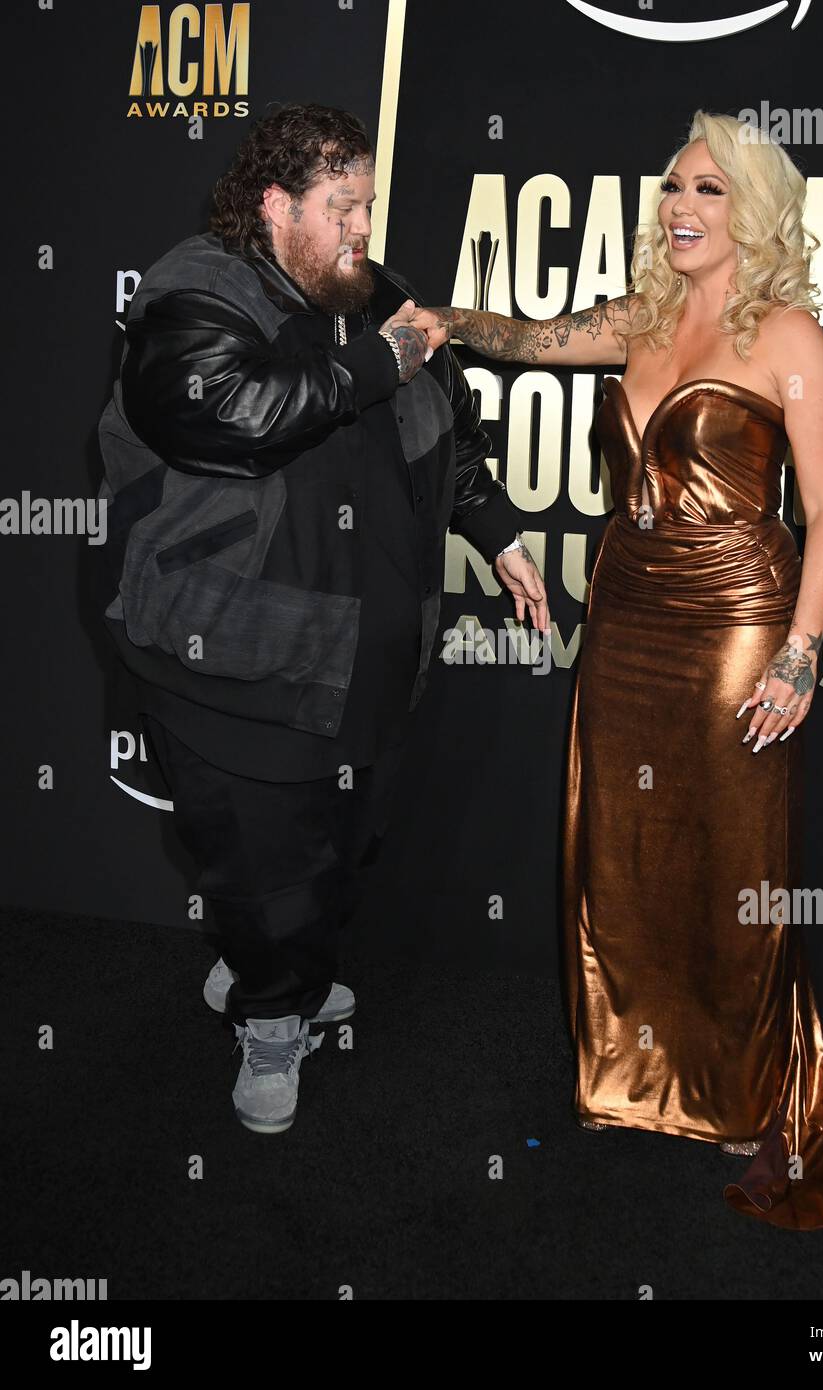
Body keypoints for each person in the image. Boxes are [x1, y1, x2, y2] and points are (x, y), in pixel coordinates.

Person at [414, 110, 823, 1234]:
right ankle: (636, 1078)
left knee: (733, 862)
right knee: (622, 849)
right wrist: (442, 317)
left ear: (756, 213)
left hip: (738, 617)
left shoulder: (789, 338)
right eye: (674, 189)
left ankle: (741, 1093)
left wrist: (797, 653)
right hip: (629, 614)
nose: (682, 208)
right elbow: (530, 340)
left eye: (709, 191)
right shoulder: (642, 316)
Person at [96, 103, 548, 1135]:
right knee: (263, 862)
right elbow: (229, 413)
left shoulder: (374, 294)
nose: (360, 228)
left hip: (365, 661)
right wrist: (378, 362)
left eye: (368, 206)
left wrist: (499, 531)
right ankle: (268, 1011)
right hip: (234, 664)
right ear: (275, 205)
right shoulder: (194, 292)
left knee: (337, 850)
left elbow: (452, 433)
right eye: (340, 206)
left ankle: (279, 966)